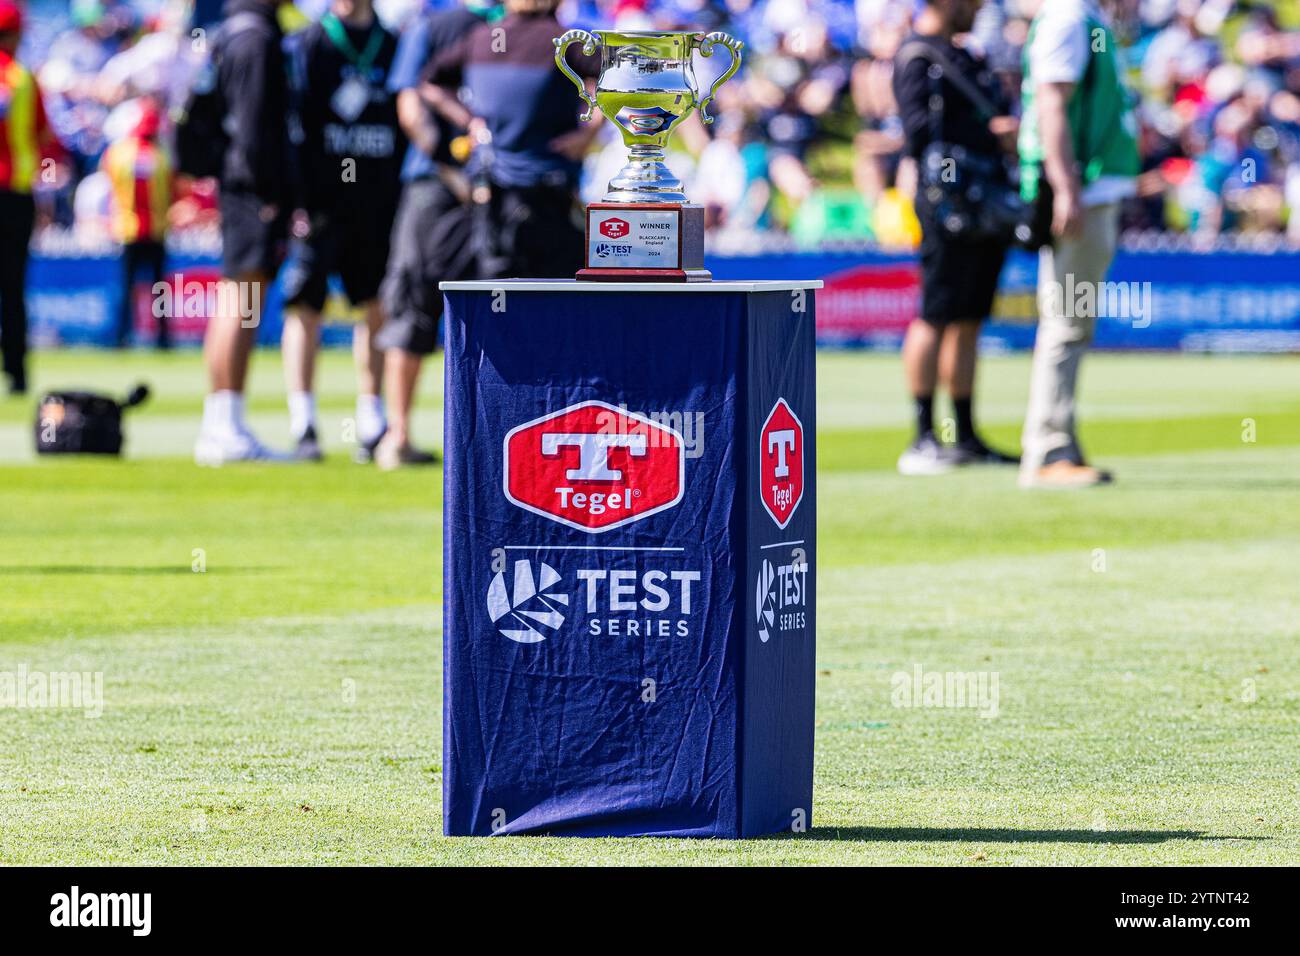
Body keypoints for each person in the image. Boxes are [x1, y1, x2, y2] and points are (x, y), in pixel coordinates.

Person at [892, 0, 1020, 475]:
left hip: (982, 201)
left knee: (968, 318)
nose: (978, 9)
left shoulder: (969, 54)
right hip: (945, 201)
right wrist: (989, 133)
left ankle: (964, 435)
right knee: (936, 312)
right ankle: (923, 435)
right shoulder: (916, 58)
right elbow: (918, 133)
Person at [1017, 0, 1138, 488]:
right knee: (1067, 321)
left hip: (1090, 188)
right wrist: (1066, 187)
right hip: (1082, 191)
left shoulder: (1083, 19)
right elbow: (1052, 102)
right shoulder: (1070, 19)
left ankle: (1059, 441)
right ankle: (1048, 450)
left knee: (1071, 320)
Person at [371, 0, 493, 470]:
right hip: (445, 187)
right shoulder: (439, 29)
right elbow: (410, 108)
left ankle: (460, 439)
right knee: (416, 303)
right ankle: (399, 435)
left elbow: (410, 108)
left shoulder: (448, 28)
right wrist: (452, 169)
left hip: (468, 186)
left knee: (425, 305)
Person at [279, 0, 403, 462]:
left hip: (376, 198)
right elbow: (291, 124)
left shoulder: (392, 44)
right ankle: (303, 420)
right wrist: (296, 198)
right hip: (319, 201)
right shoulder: (308, 44)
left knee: (374, 304)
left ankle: (371, 418)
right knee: (304, 302)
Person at [419, 0, 602, 281]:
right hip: (536, 195)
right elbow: (617, 76)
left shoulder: (486, 37)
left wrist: (469, 121)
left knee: (498, 295)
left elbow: (430, 83)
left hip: (503, 195)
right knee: (552, 295)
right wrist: (588, 131)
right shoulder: (562, 42)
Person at [194, 0, 291, 465]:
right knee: (243, 301)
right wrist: (270, 189)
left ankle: (221, 421)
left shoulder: (231, 31)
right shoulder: (256, 37)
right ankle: (226, 424)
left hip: (236, 183)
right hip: (252, 188)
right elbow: (254, 127)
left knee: (235, 298)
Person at [0, 0, 62, 395]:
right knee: (13, 289)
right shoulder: (23, 79)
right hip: (15, 197)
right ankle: (17, 375)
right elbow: (44, 138)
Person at [102, 98, 173, 349]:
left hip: (128, 231)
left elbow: (108, 181)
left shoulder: (118, 154)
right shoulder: (162, 157)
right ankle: (163, 339)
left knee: (127, 288)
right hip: (156, 231)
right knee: (159, 291)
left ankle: (121, 337)